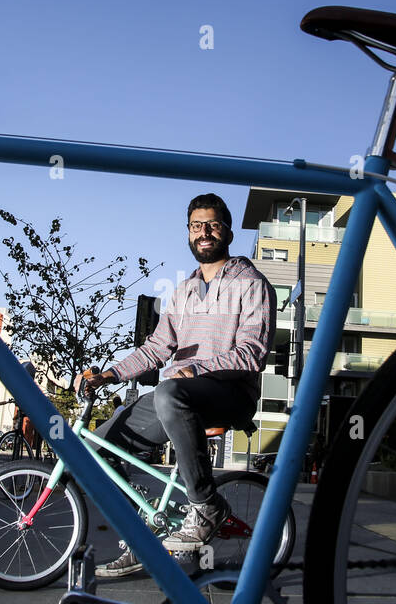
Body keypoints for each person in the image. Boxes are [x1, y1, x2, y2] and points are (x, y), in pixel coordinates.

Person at [74, 193, 277, 578]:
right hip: (178, 394)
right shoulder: (183, 291)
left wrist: (197, 369)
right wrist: (110, 375)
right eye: (196, 226)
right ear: (188, 232)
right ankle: (142, 537)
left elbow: (252, 352)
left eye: (213, 224)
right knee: (94, 449)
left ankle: (206, 504)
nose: (204, 232)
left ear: (228, 231)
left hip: (229, 392)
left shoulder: (251, 283)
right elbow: (156, 348)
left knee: (168, 391)